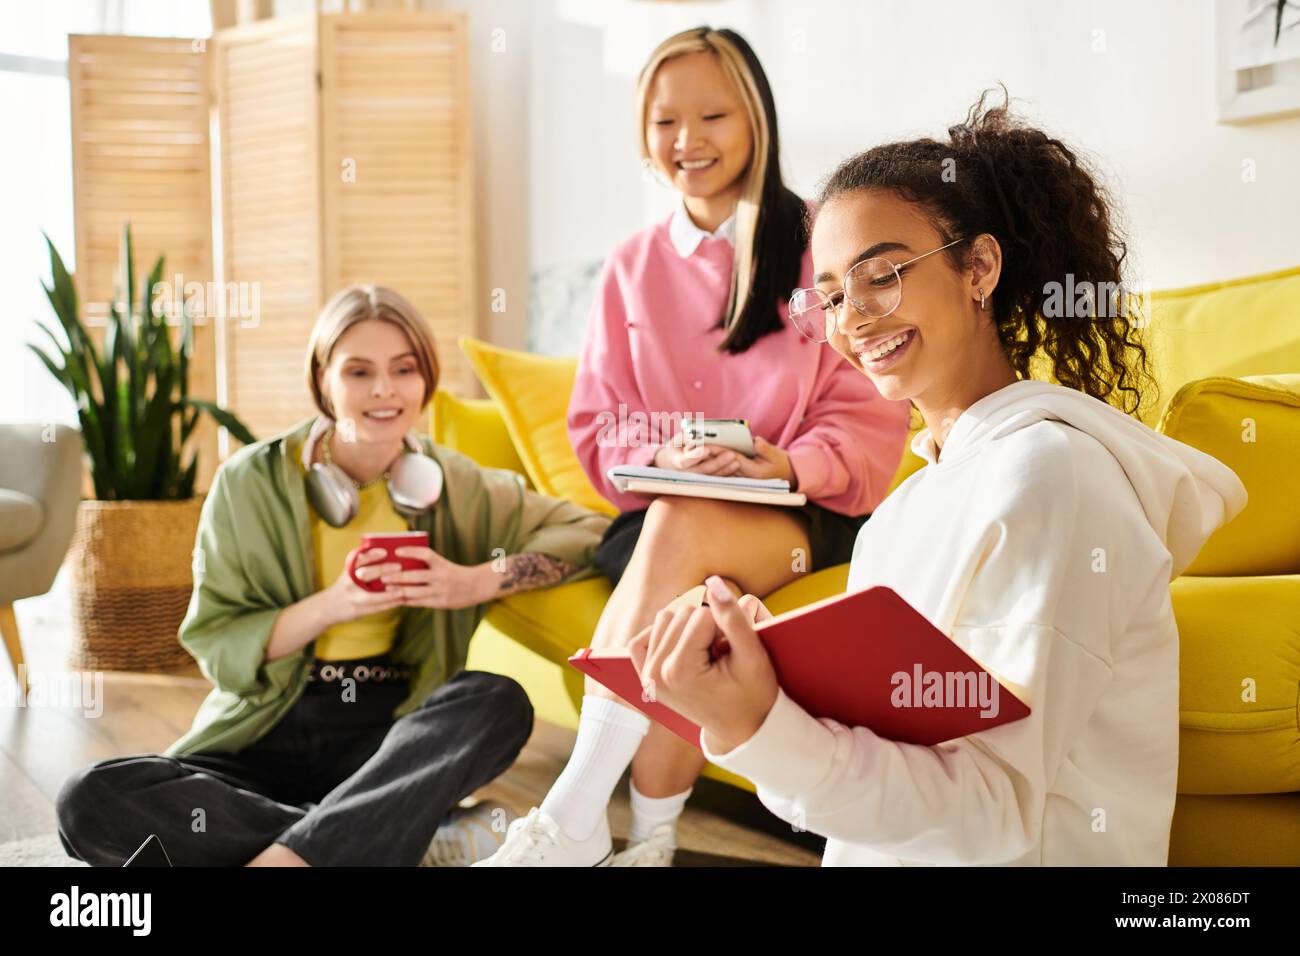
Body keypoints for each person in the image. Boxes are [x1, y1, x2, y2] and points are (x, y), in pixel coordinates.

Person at [627, 91, 1248, 866]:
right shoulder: (907, 506)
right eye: (828, 297)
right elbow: (893, 764)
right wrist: (773, 683)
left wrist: (759, 726)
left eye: (880, 274)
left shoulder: (1054, 479)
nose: (851, 319)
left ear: (979, 267)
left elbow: (991, 812)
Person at [477, 27, 911, 867]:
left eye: (712, 114)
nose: (688, 141)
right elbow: (597, 426)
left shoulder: (822, 243)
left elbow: (869, 410)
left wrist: (784, 463)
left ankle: (570, 822)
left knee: (687, 544)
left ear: (755, 119)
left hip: (802, 511)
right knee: (690, 589)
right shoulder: (632, 266)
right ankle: (651, 843)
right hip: (662, 518)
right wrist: (665, 457)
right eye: (665, 122)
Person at [55, 285, 610, 866]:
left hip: (390, 734)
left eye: (404, 368)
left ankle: (298, 851)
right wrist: (335, 603)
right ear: (323, 379)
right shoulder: (250, 481)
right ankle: (383, 836)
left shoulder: (459, 484)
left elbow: (589, 531)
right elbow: (218, 649)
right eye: (359, 371)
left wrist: (474, 581)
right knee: (89, 802)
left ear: (427, 378)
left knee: (498, 701)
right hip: (267, 723)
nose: (384, 390)